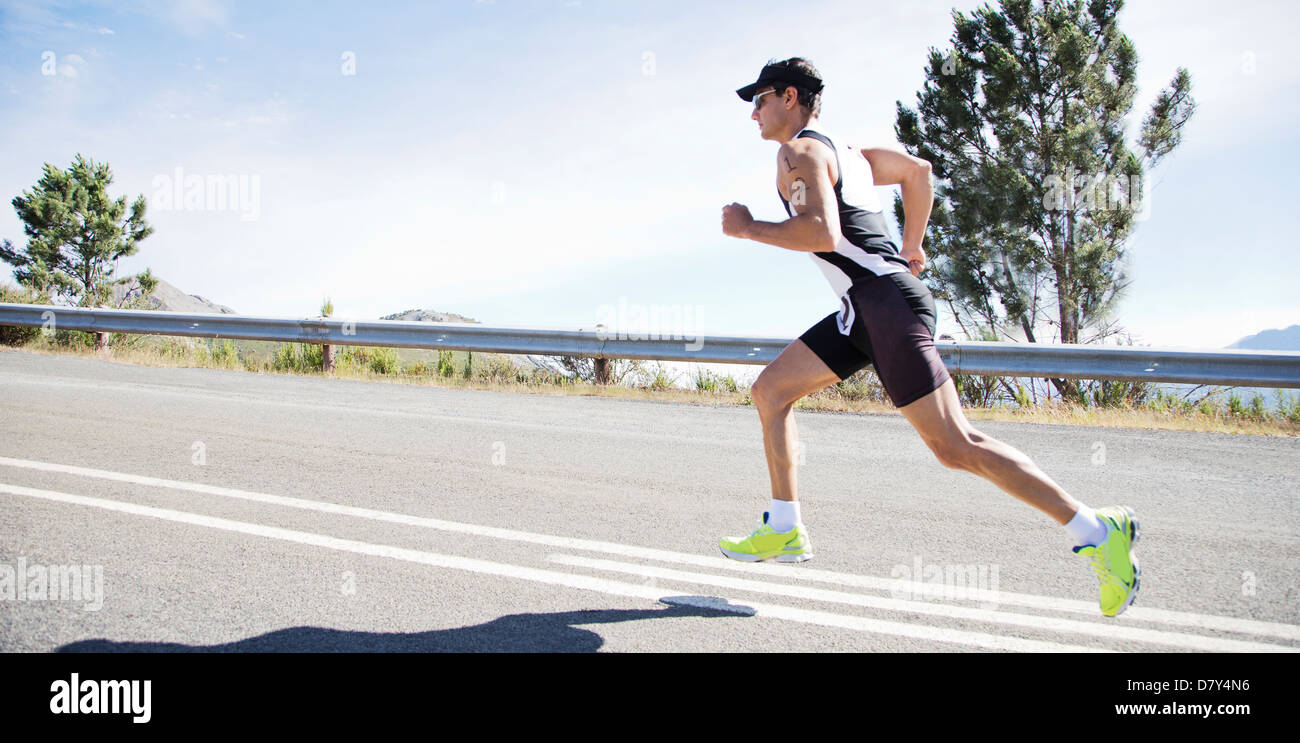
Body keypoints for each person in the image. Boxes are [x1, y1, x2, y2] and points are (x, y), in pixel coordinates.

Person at [718, 58, 1139, 617]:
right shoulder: (853, 154)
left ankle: (1097, 529)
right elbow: (918, 172)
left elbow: (821, 231)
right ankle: (785, 525)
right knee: (770, 391)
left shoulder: (800, 152)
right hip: (865, 308)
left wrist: (749, 227)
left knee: (955, 446)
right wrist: (913, 245)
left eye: (761, 99)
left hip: (885, 306)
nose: (754, 113)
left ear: (790, 97)